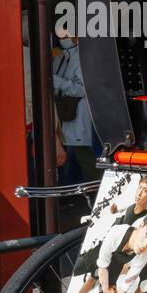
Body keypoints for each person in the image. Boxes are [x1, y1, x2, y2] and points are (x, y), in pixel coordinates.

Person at [52, 26, 98, 185]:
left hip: (78, 113)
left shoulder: (83, 58)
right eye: (61, 35)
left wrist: (55, 81)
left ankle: (96, 190)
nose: (63, 38)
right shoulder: (59, 57)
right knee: (66, 157)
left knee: (83, 154)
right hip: (61, 113)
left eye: (67, 34)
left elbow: (82, 89)